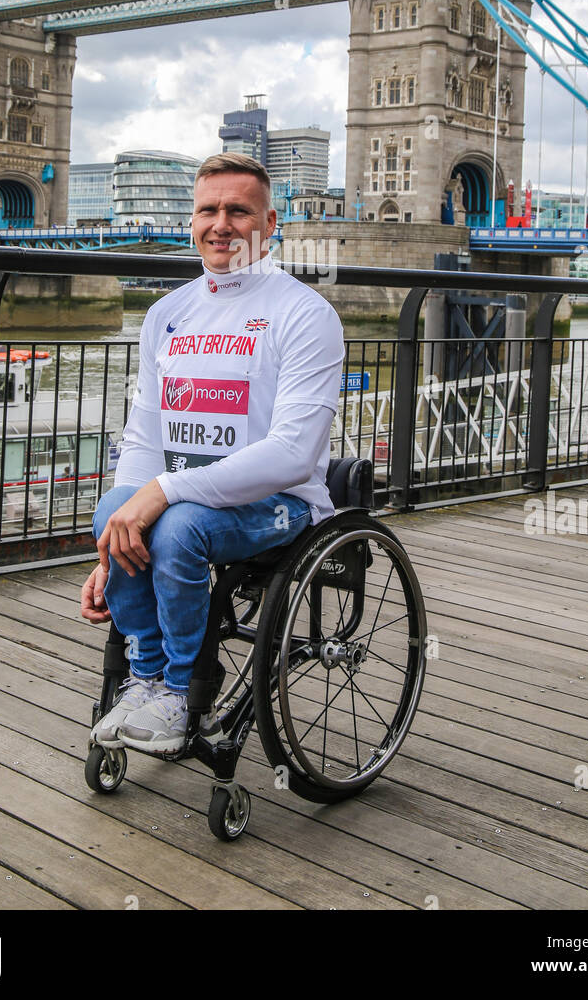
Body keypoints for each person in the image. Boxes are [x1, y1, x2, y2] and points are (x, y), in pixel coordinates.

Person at [80, 152, 345, 757]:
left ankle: (179, 690)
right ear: (191, 220)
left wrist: (163, 493)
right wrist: (113, 549)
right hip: (181, 500)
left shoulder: (305, 314)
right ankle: (144, 679)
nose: (221, 223)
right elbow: (145, 437)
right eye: (208, 210)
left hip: (281, 503)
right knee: (112, 508)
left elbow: (293, 454)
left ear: (270, 222)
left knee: (176, 527)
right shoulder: (166, 313)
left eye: (238, 210)